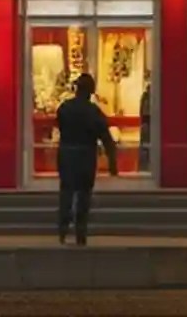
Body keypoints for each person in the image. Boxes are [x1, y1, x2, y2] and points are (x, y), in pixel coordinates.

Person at [55, 73, 116, 246]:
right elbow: (106, 138)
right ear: (91, 91)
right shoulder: (94, 112)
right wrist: (112, 163)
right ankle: (80, 233)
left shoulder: (64, 108)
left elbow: (59, 125)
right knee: (84, 195)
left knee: (66, 192)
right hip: (85, 156)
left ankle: (62, 229)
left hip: (66, 153)